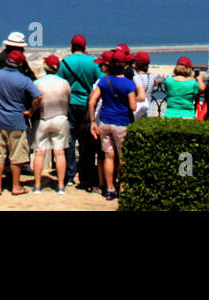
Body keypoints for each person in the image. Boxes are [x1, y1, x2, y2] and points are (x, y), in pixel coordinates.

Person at [0, 46, 43, 195]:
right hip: (17, 121)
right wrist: (31, 111)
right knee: (16, 156)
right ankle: (16, 186)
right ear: (20, 64)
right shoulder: (24, 80)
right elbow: (38, 97)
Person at [87, 49, 137, 201]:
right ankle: (122, 187)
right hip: (122, 123)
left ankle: (109, 189)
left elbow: (91, 101)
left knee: (108, 156)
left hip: (105, 122)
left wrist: (93, 121)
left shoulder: (103, 81)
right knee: (122, 157)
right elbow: (133, 106)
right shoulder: (128, 84)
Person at [57, 35, 101, 191]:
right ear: (85, 47)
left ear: (71, 46)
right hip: (88, 104)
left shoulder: (65, 63)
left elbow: (58, 81)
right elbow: (100, 81)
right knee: (86, 142)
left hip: (70, 103)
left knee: (69, 139)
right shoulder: (93, 63)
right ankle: (86, 176)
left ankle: (69, 175)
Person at [31, 55, 71, 193]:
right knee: (60, 153)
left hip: (43, 118)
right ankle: (61, 186)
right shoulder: (64, 83)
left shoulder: (38, 83)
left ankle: (37, 185)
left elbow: (35, 99)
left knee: (39, 152)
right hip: (60, 118)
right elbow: (68, 98)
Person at [132, 52, 155, 121]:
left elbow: (141, 96)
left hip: (139, 111)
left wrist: (131, 101)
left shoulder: (137, 78)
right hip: (149, 110)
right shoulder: (151, 76)